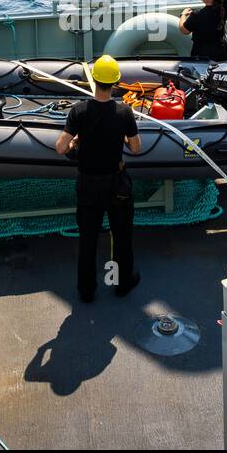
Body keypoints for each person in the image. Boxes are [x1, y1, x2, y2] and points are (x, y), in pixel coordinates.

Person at [55, 55, 143, 302]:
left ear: (93, 80)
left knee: (88, 238)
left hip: (88, 184)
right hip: (116, 183)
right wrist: (125, 137)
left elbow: (61, 148)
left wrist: (74, 142)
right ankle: (122, 283)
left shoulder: (78, 111)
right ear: (115, 83)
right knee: (122, 234)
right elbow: (136, 148)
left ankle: (86, 290)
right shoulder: (125, 112)